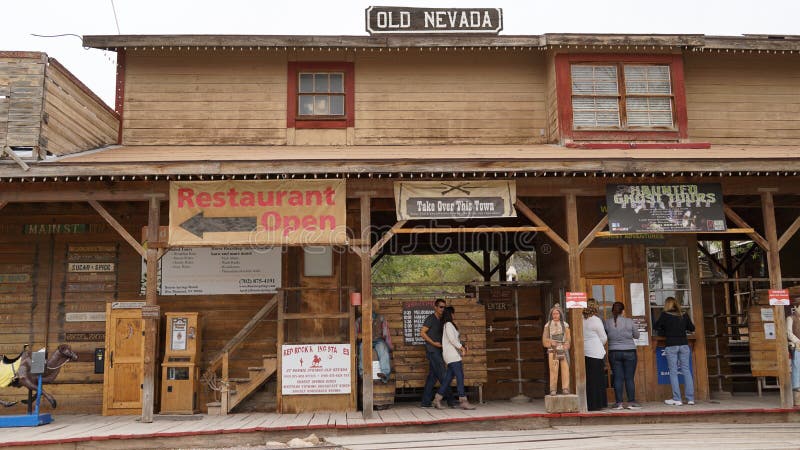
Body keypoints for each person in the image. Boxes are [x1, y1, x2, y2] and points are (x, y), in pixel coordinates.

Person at [655, 296, 696, 406]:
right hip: (684, 344)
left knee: (673, 372)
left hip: (671, 345)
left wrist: (664, 331)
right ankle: (690, 399)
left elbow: (656, 326)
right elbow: (692, 328)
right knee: (686, 371)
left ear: (666, 305)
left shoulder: (665, 315)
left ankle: (677, 399)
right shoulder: (684, 314)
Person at [433, 307, 476, 410]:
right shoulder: (448, 325)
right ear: (450, 314)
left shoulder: (449, 325)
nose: (454, 315)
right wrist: (461, 348)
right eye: (453, 313)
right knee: (460, 376)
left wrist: (463, 345)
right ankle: (463, 401)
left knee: (448, 379)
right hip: (452, 356)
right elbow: (452, 340)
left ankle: (437, 399)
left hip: (452, 355)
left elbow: (454, 340)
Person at [604, 301, 641, 410]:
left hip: (614, 352)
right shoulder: (629, 321)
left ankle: (619, 403)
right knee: (629, 378)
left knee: (618, 378)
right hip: (630, 351)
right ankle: (631, 402)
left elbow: (604, 336)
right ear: (623, 311)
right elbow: (637, 335)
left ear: (612, 311)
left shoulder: (607, 322)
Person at [420, 298, 455, 408]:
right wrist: (433, 343)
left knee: (432, 377)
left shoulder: (443, 320)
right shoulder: (430, 318)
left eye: (444, 307)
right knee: (443, 375)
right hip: (432, 351)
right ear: (435, 307)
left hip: (440, 351)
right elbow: (422, 333)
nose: (442, 309)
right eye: (440, 307)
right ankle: (451, 400)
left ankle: (425, 402)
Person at [355, 299, 394, 382]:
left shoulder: (381, 318)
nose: (369, 308)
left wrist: (389, 346)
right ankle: (363, 373)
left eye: (371, 306)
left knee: (383, 349)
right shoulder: (359, 320)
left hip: (378, 340)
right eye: (366, 307)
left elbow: (386, 333)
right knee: (362, 348)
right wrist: (359, 337)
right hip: (365, 340)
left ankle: (384, 373)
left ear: (374, 308)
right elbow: (355, 335)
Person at [583, 298, 608, 411]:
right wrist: (599, 344)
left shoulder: (580, 319)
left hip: (584, 352)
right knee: (598, 379)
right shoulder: (596, 320)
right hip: (596, 353)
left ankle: (590, 403)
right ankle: (598, 404)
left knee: (589, 379)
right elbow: (603, 337)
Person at [542, 303, 571, 395]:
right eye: (553, 314)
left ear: (560, 314)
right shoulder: (547, 325)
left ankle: (565, 388)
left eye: (557, 313)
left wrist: (566, 345)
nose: (555, 315)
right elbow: (544, 339)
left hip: (562, 348)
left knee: (565, 368)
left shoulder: (565, 325)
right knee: (553, 369)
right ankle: (553, 389)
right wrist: (550, 342)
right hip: (552, 349)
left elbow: (568, 338)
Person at [787, 301, 800, 393]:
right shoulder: (790, 318)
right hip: (796, 346)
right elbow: (789, 333)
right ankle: (796, 386)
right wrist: (798, 341)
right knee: (796, 366)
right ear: (796, 307)